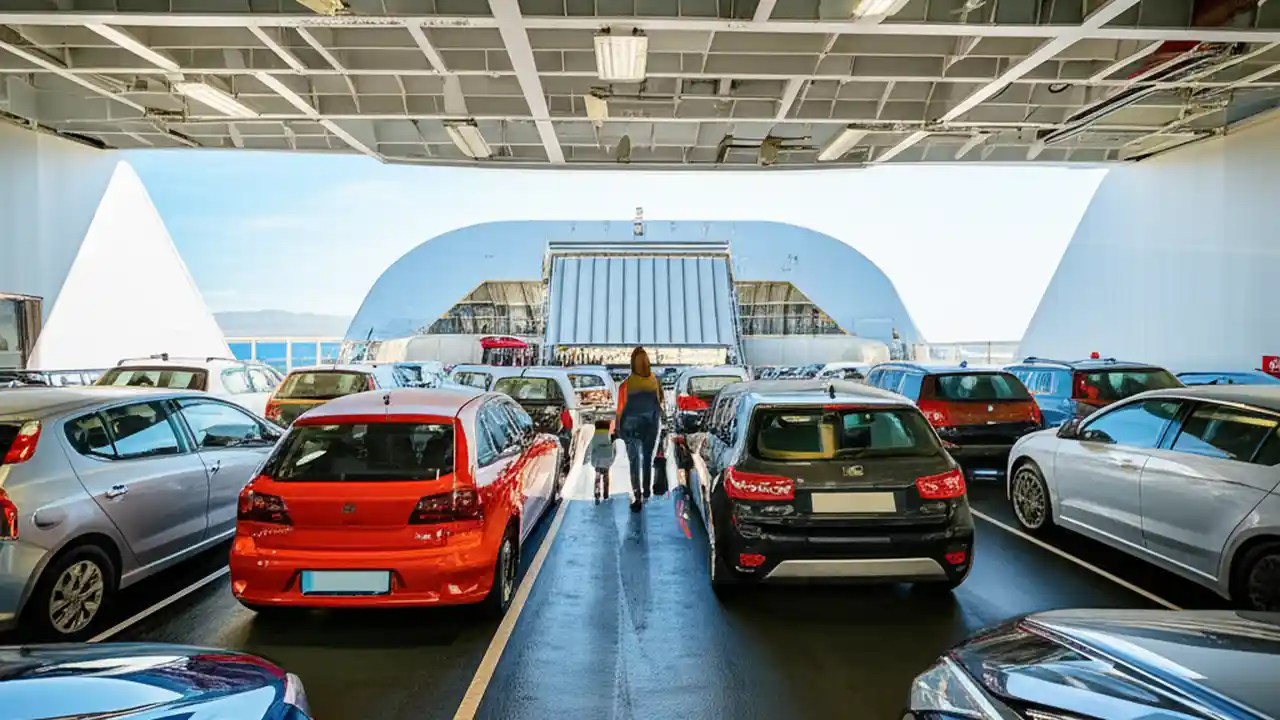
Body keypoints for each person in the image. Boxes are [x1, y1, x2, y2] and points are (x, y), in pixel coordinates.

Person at [615, 346, 662, 511]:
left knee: (634, 462)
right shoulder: (655, 382)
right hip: (651, 425)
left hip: (630, 427)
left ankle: (637, 496)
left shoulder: (625, 385)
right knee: (647, 459)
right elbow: (659, 402)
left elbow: (620, 409)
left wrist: (617, 428)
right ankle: (647, 490)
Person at [585, 419, 615, 504]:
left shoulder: (595, 436)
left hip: (597, 459)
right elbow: (613, 448)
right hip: (607, 460)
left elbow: (590, 448)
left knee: (597, 477)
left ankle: (597, 493)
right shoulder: (609, 435)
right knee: (606, 477)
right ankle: (606, 494)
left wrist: (586, 460)